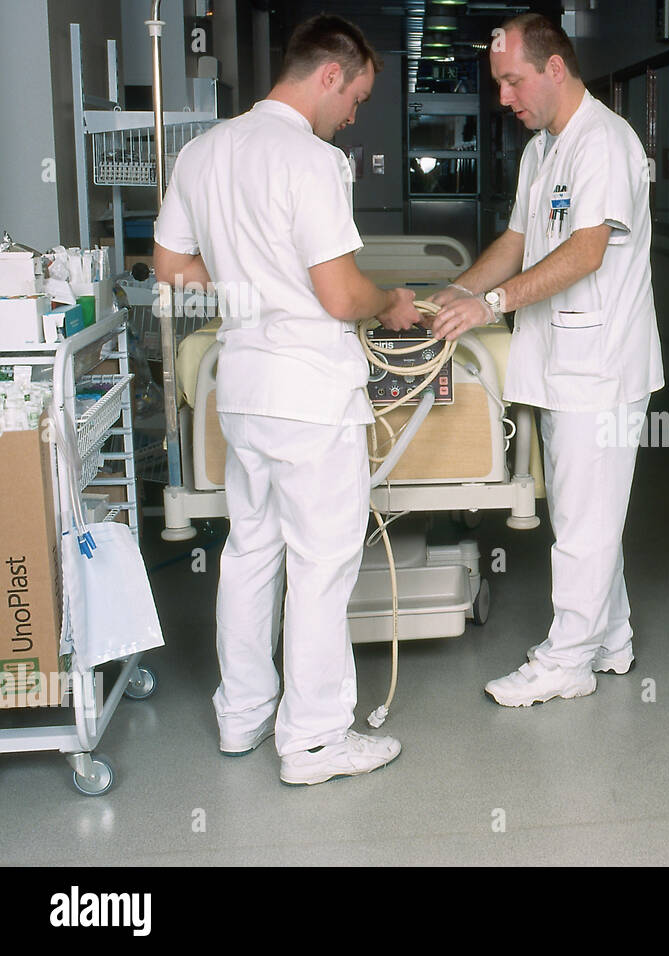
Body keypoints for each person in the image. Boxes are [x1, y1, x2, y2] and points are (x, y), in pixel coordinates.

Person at [154, 14, 421, 785]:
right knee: (320, 563)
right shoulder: (310, 161)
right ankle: (312, 740)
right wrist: (389, 304)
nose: (354, 116)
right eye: (358, 97)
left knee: (249, 552)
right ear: (330, 73)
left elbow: (171, 267)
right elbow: (341, 295)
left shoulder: (203, 153)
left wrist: (251, 294)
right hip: (309, 393)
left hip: (242, 390)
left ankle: (241, 715)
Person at [428, 13, 661, 707]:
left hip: (603, 366)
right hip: (565, 362)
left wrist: (492, 304)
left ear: (554, 68)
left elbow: (586, 251)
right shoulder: (542, 150)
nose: (503, 97)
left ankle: (567, 660)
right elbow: (517, 239)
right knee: (585, 513)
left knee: (584, 524)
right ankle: (612, 636)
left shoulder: (605, 143)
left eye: (511, 80)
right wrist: (456, 291)